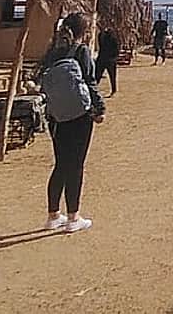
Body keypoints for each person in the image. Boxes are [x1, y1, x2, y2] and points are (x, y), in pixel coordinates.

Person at [38, 12, 105, 234]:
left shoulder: (52, 53)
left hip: (55, 116)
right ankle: (74, 217)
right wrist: (99, 109)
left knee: (61, 164)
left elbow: (41, 80)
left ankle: (53, 216)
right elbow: (90, 82)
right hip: (79, 117)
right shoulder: (81, 51)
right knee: (75, 166)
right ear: (85, 31)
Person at [95, 28, 119, 97]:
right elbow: (117, 49)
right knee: (112, 76)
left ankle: (94, 90)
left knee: (97, 75)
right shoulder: (114, 38)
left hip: (102, 58)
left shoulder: (101, 36)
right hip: (110, 59)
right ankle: (113, 90)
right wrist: (114, 57)